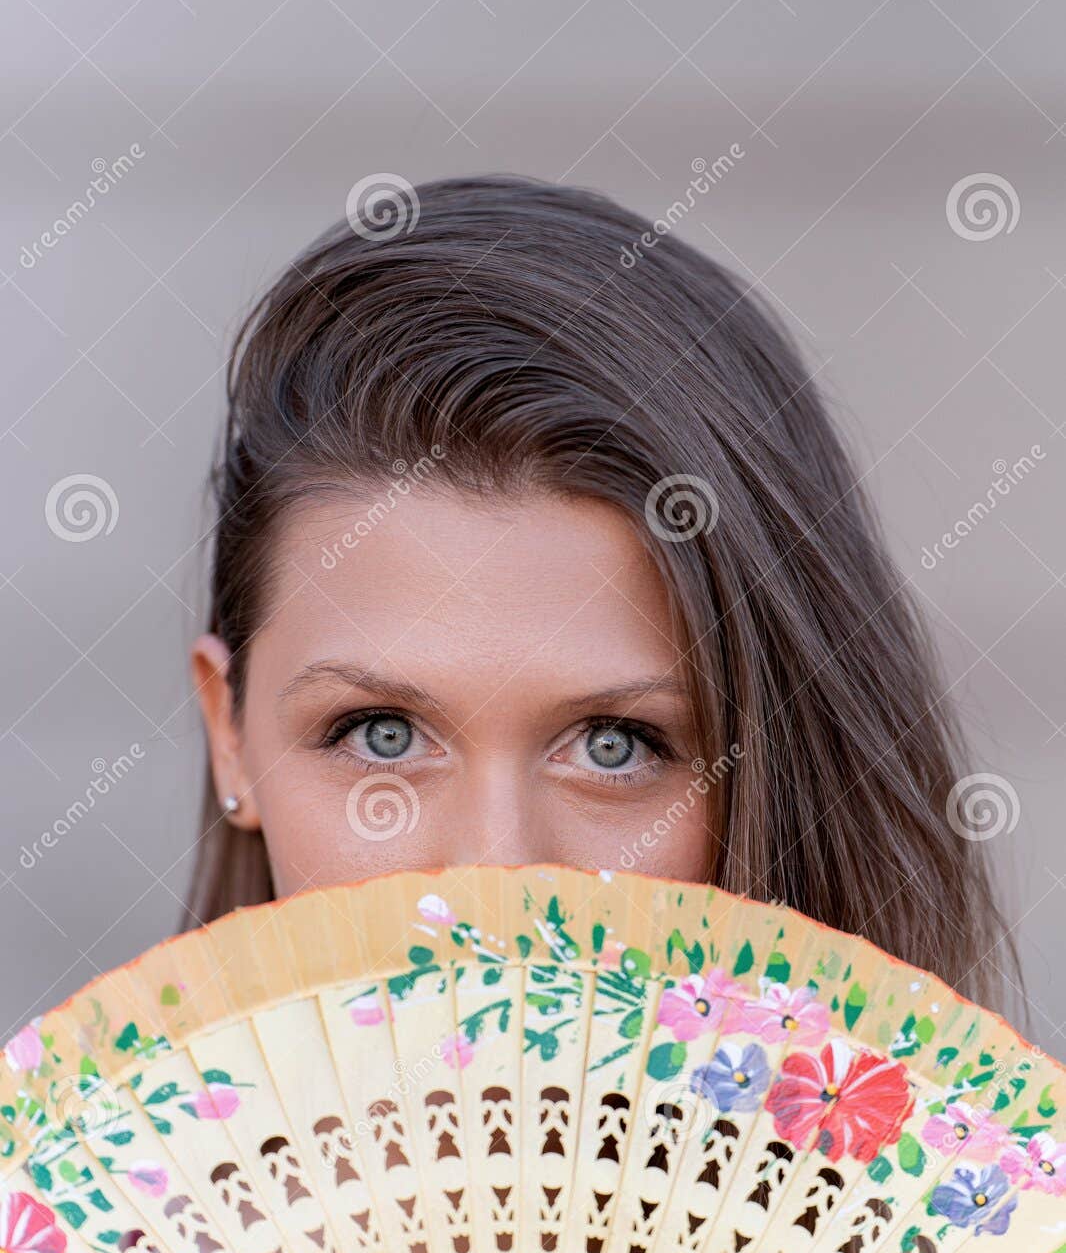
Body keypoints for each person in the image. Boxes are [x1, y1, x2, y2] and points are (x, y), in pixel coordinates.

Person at [189, 174, 1013, 1005]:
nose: (498, 882)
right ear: (230, 735)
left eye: (612, 746)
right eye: (381, 735)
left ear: (775, 770)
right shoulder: (85, 1139)